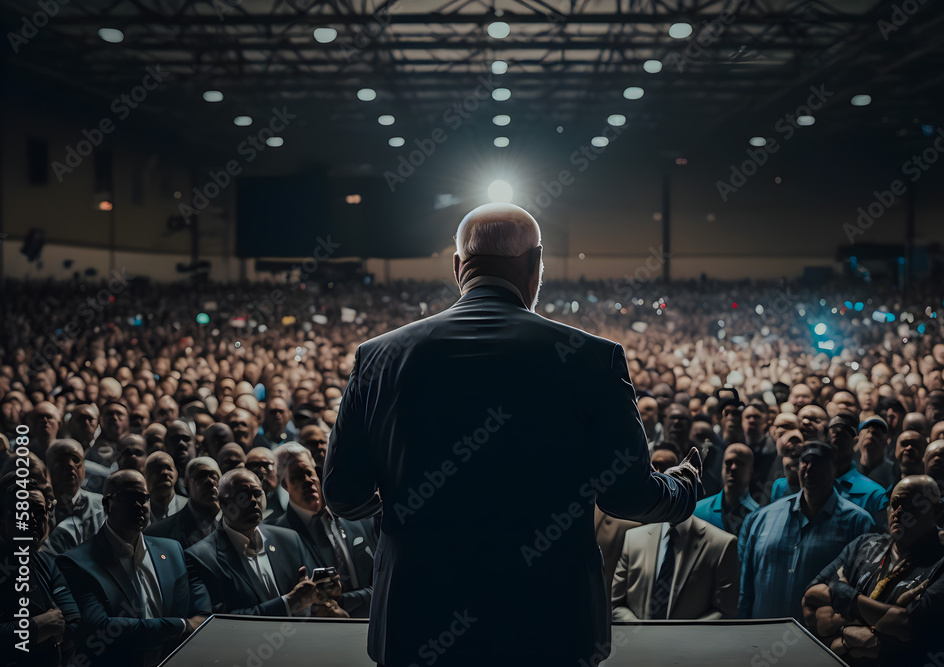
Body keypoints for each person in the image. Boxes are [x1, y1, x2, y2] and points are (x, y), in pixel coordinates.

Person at [323, 203, 702, 667]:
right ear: (535, 264)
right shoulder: (592, 358)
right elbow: (627, 495)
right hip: (548, 628)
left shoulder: (378, 357)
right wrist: (683, 487)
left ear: (458, 267)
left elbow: (343, 494)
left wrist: (404, 495)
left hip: (416, 624)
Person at [803, 475, 944, 667]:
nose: (899, 511)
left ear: (938, 512)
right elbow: (809, 600)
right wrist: (853, 631)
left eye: (910, 504)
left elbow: (907, 625)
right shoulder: (863, 545)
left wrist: (843, 594)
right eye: (894, 504)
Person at [56, 470, 211, 667]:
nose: (138, 505)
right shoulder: (76, 562)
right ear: (106, 505)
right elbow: (100, 628)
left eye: (143, 497)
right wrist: (182, 625)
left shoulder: (173, 550)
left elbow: (202, 614)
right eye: (128, 497)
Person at [738, 442, 875, 620]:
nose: (809, 469)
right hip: (762, 633)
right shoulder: (761, 518)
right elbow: (745, 591)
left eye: (818, 462)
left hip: (818, 636)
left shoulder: (858, 522)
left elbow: (862, 592)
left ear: (834, 469)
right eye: (805, 461)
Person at [184, 469, 341, 617]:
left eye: (257, 493)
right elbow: (215, 620)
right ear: (222, 504)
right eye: (242, 497)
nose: (253, 501)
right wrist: (288, 603)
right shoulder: (201, 558)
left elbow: (309, 597)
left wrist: (323, 593)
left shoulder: (289, 539)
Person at [272, 443, 376, 618]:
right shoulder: (278, 535)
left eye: (309, 473)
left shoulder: (358, 519)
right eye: (298, 476)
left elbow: (381, 579)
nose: (307, 480)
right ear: (284, 485)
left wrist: (344, 603)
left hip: (371, 619)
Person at [0, 473, 80, 666]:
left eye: (39, 511)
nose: (32, 518)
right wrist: (37, 627)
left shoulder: (45, 562)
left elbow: (72, 619)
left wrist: (21, 633)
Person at [611, 515, 738, 620]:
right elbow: (615, 603)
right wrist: (639, 630)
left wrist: (684, 636)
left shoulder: (722, 544)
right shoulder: (633, 538)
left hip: (693, 642)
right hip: (639, 640)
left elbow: (725, 610)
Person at [44, 440, 106, 555]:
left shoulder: (102, 505)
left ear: (84, 468)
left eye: (76, 459)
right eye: (61, 460)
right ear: (48, 468)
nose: (70, 465)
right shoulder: (41, 510)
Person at [145, 458, 222, 549]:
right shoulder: (158, 533)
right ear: (186, 484)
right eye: (201, 476)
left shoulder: (234, 523)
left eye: (214, 477)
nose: (210, 482)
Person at [694, 443, 759, 536]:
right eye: (728, 462)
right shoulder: (698, 512)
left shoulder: (759, 517)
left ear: (751, 471)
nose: (733, 467)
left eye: (740, 463)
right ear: (722, 468)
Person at [144, 451, 187, 523]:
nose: (164, 472)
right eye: (157, 469)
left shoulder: (190, 507)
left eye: (168, 468)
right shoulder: (140, 511)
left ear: (176, 473)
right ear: (145, 476)